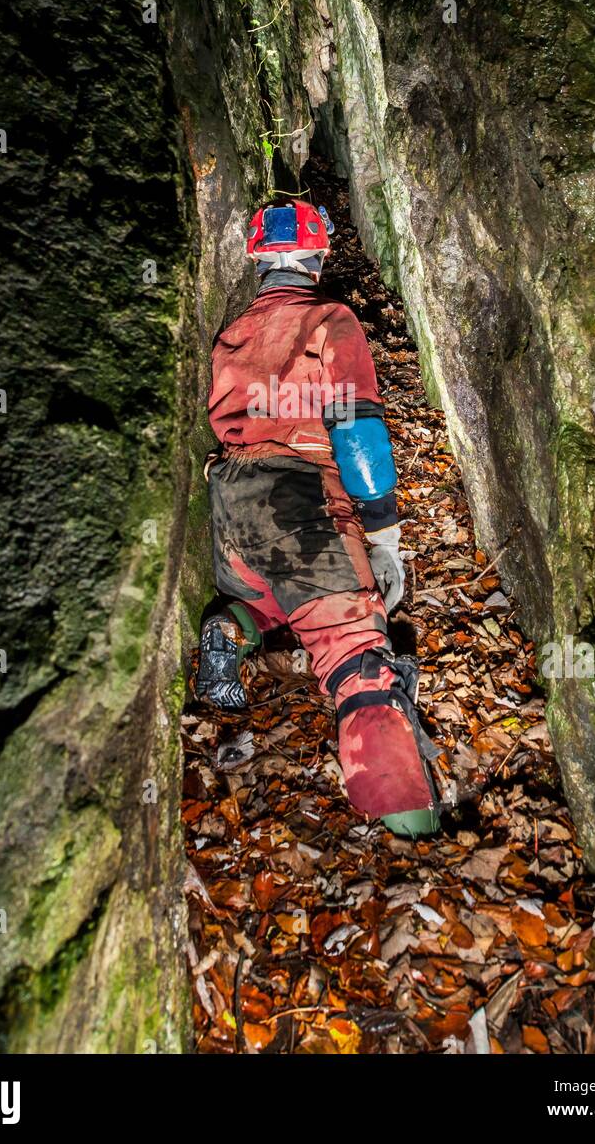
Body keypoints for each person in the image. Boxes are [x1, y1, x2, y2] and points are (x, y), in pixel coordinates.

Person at [196, 200, 442, 837]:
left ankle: (233, 626)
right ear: (320, 252)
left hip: (232, 506)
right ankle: (410, 828)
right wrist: (383, 534)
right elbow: (357, 432)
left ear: (257, 259)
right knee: (359, 659)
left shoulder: (233, 336)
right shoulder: (331, 321)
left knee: (281, 604)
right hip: (298, 498)